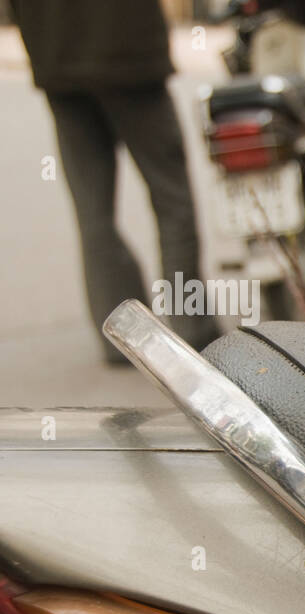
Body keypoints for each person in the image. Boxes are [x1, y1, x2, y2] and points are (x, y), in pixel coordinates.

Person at [12, 0, 217, 362]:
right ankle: (190, 327)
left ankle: (122, 337)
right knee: (172, 200)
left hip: (58, 65)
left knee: (93, 214)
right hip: (129, 60)